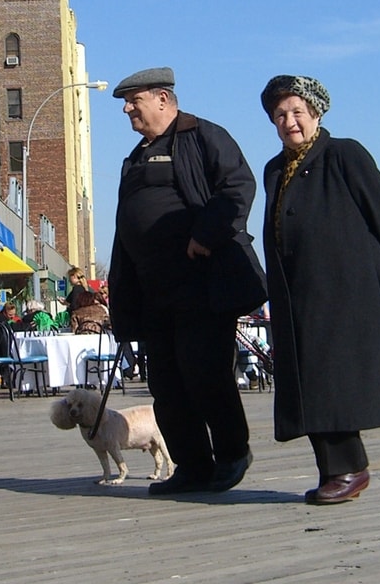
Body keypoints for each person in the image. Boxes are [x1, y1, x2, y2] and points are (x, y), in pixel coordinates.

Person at [107, 66, 266, 496]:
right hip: (153, 292)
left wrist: (205, 235)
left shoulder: (202, 136)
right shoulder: (136, 156)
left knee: (205, 374)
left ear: (162, 98)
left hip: (201, 285)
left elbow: (237, 188)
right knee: (167, 385)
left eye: (134, 101)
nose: (126, 109)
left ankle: (232, 454)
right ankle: (192, 466)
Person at [259, 74, 380, 506]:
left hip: (345, 292)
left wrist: (373, 272)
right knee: (310, 381)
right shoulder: (275, 169)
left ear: (316, 114)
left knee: (334, 379)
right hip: (298, 295)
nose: (289, 122)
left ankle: (349, 469)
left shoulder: (344, 154)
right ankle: (333, 471)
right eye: (280, 115)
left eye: (297, 112)